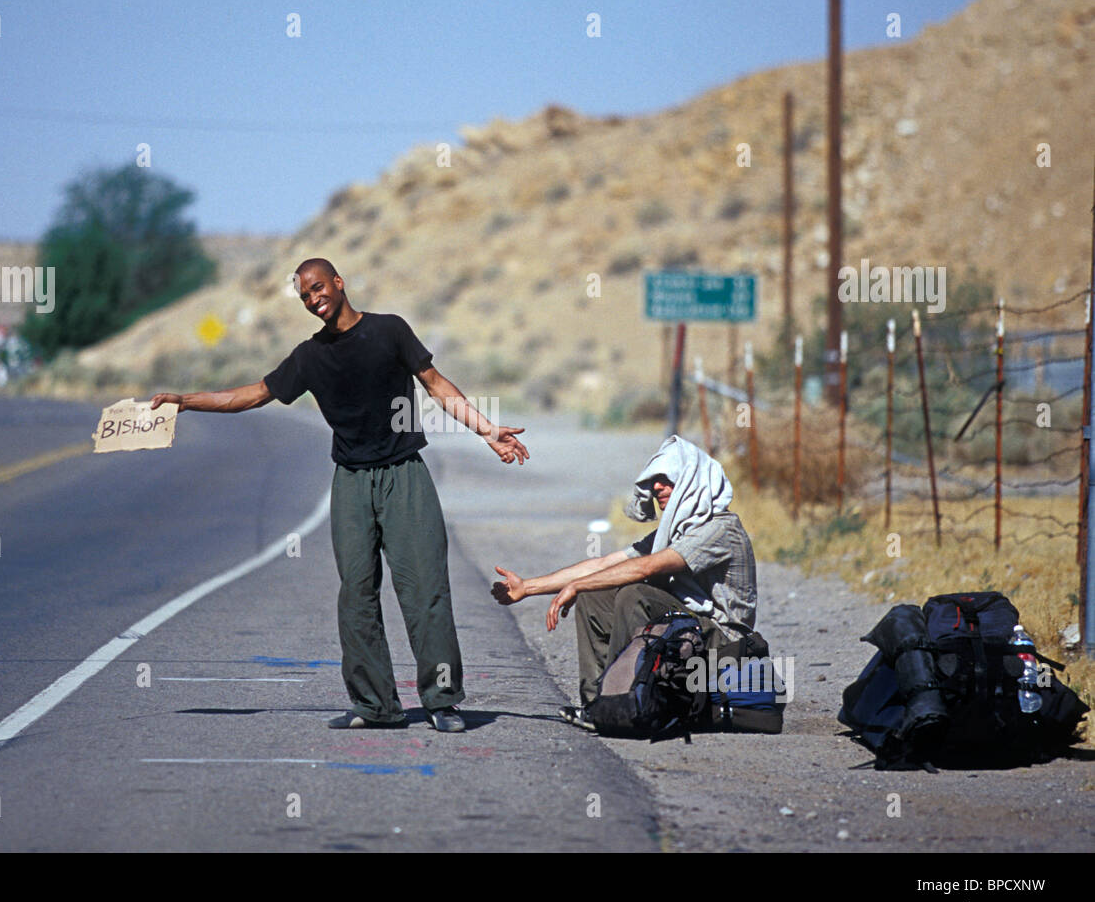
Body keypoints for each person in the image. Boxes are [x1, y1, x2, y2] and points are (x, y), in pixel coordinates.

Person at [150, 258, 529, 732]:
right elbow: (251, 394)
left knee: (425, 590)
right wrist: (186, 401)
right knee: (356, 596)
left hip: (403, 474)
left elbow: (435, 385)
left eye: (317, 287)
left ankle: (442, 701)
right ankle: (375, 706)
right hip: (350, 480)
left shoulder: (390, 330)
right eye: (305, 295)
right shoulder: (310, 357)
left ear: (338, 283)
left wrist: (487, 430)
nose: (313, 298)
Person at [490, 434, 755, 731]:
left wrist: (577, 586)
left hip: (724, 648)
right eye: (654, 481)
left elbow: (646, 567)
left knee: (635, 594)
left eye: (667, 479)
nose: (656, 488)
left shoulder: (719, 529)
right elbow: (604, 564)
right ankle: (598, 705)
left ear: (691, 482)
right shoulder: (677, 531)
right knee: (595, 595)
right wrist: (528, 587)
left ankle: (623, 702)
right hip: (688, 633)